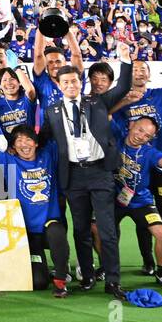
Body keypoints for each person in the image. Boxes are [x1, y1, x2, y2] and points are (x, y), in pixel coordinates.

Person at [41, 44, 132, 298]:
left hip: (100, 172)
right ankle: (88, 276)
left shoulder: (98, 101)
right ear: (59, 85)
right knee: (80, 229)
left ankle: (113, 280)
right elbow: (44, 139)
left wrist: (125, 60)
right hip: (73, 175)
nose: (71, 85)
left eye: (74, 81)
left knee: (107, 229)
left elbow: (123, 87)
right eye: (66, 82)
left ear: (80, 82)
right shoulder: (52, 111)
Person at [0, 125, 70, 297]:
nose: (24, 144)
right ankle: (23, 268)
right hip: (25, 235)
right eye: (19, 140)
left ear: (36, 143)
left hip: (48, 227)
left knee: (57, 231)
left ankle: (61, 281)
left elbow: (60, 129)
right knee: (39, 283)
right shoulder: (10, 162)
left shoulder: (48, 156)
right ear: (13, 147)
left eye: (28, 139)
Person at [109, 116, 162, 289]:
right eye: (139, 130)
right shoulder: (116, 137)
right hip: (112, 201)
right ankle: (106, 267)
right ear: (131, 125)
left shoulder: (149, 152)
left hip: (141, 202)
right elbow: (108, 113)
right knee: (95, 228)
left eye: (147, 135)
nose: (141, 136)